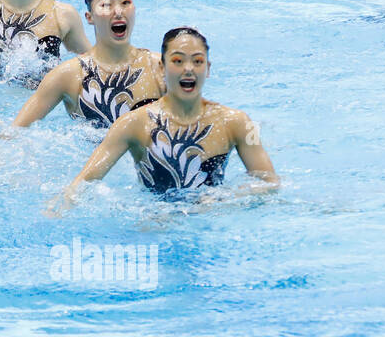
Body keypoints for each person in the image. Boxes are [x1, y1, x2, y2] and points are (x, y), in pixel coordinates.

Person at [46, 27, 280, 214]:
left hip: (211, 225)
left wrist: (219, 201)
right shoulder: (133, 124)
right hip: (155, 226)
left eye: (197, 62)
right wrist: (58, 208)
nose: (188, 69)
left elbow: (269, 183)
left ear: (207, 69)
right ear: (162, 67)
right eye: (178, 61)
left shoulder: (238, 122)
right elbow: (85, 182)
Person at [10, 0, 162, 129]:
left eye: (125, 2)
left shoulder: (161, 68)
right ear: (89, 17)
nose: (118, 11)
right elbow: (14, 132)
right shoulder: (67, 75)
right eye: (106, 4)